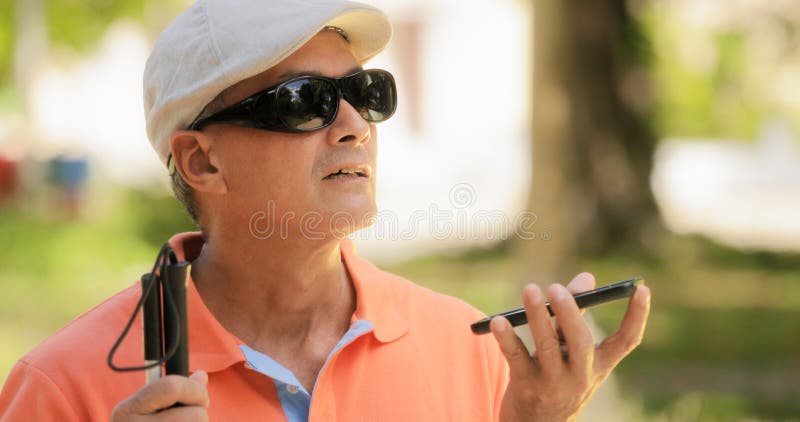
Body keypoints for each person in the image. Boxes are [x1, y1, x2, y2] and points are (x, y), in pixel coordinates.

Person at [0, 0, 651, 420]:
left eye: (365, 92)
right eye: (303, 100)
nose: (353, 126)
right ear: (201, 162)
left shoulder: (474, 352)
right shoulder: (62, 388)